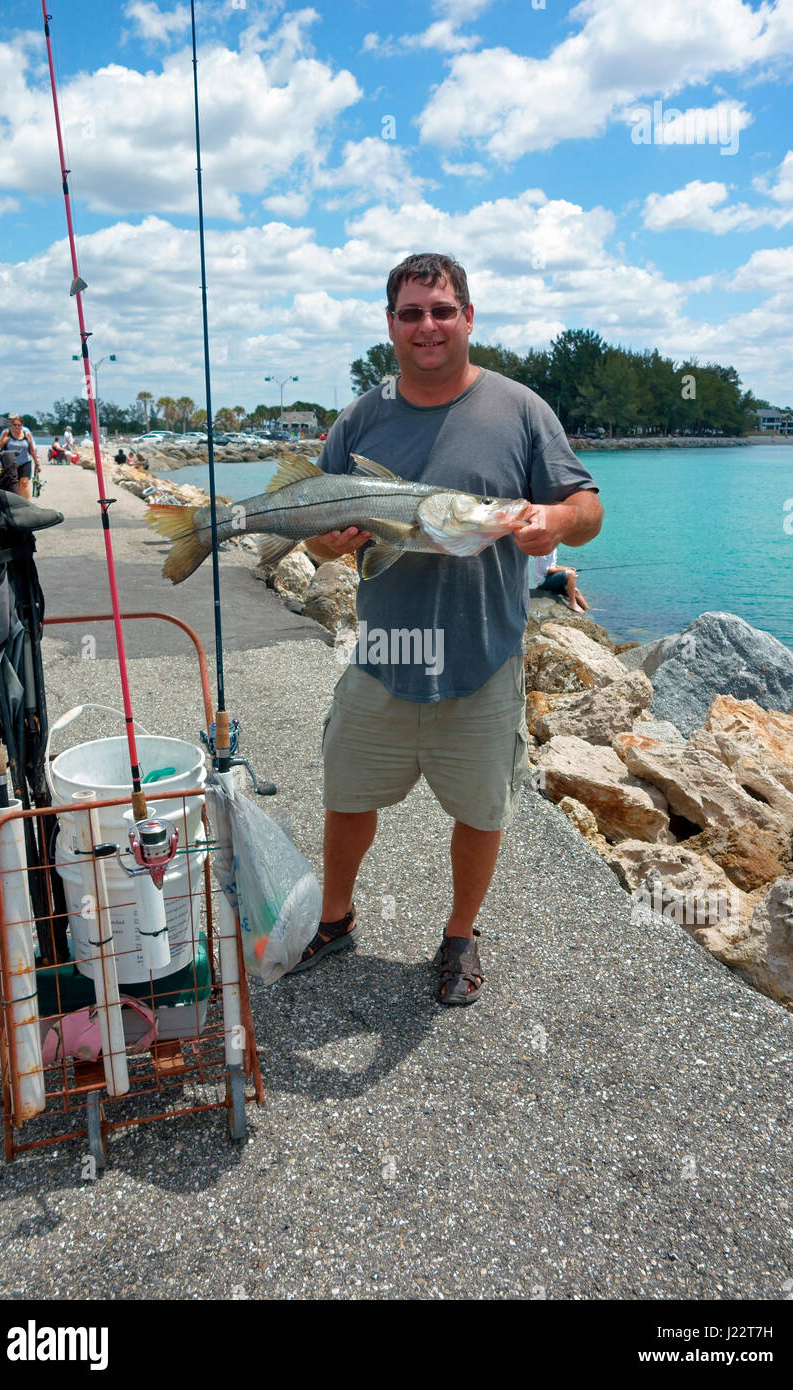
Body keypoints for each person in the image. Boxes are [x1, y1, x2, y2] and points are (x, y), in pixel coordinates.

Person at [296, 252, 603, 1005]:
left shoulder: (521, 409)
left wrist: (552, 520)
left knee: (480, 810)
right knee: (347, 797)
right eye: (410, 314)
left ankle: (460, 935)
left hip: (485, 658)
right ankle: (336, 921)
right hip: (382, 656)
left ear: (468, 316)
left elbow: (587, 507)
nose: (427, 326)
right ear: (391, 326)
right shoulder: (361, 420)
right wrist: (320, 544)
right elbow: (312, 526)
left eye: (441, 310)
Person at [531, 547, 589, 612]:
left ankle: (587, 610)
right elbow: (547, 570)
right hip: (544, 581)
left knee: (575, 591)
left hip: (551, 578)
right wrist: (566, 570)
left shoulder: (553, 548)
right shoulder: (543, 550)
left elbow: (553, 565)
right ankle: (572, 603)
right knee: (571, 574)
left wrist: (567, 568)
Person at [0, 413, 40, 502]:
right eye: (14, 424)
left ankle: (27, 503)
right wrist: (5, 441)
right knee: (14, 484)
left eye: (19, 425)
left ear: (21, 424)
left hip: (25, 461)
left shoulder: (26, 432)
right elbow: (0, 446)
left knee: (24, 482)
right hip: (10, 463)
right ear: (11, 423)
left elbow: (32, 449)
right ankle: (18, 502)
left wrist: (37, 463)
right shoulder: (6, 432)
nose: (17, 426)